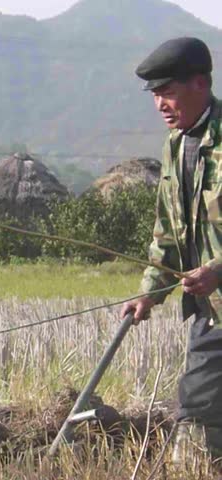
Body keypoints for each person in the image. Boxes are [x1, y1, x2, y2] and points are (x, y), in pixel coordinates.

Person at [120, 36, 222, 468]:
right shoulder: (176, 147)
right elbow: (167, 234)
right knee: (200, 404)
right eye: (156, 94)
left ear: (199, 84)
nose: (160, 103)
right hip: (212, 311)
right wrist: (150, 291)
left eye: (168, 92)